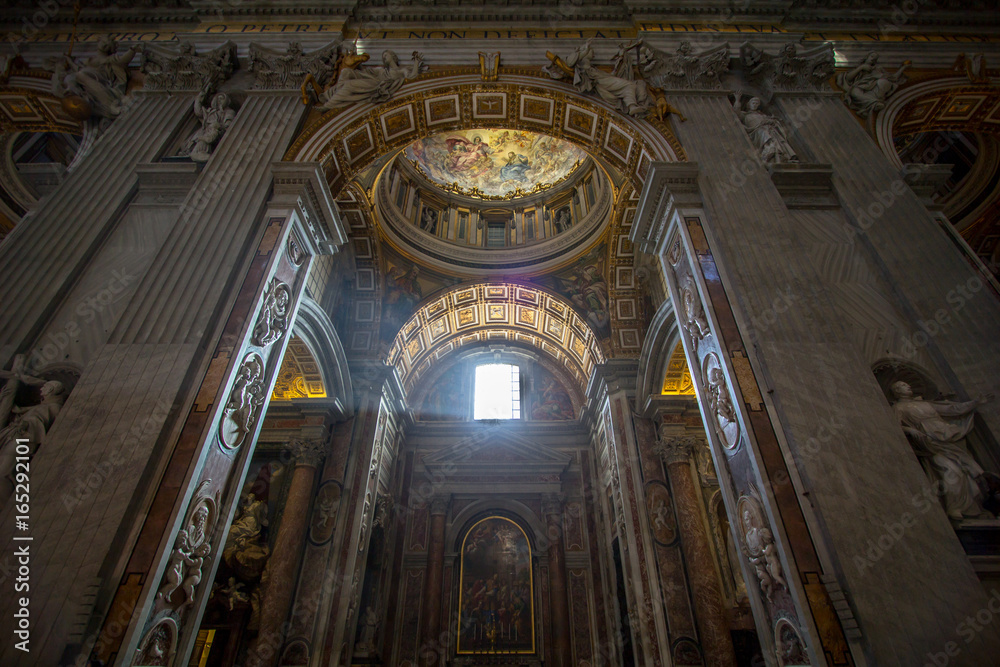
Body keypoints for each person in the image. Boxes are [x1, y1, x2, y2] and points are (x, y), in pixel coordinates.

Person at [891, 380, 995, 521]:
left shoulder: (926, 404)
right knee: (950, 470)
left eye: (906, 384)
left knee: (965, 471)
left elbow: (953, 409)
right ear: (896, 391)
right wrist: (910, 429)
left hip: (947, 438)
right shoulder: (899, 408)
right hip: (930, 444)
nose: (908, 386)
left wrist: (975, 402)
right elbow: (894, 426)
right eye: (902, 385)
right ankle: (954, 507)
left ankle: (973, 509)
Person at [837, 52, 910, 117]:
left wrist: (903, 68)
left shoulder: (878, 69)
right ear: (867, 57)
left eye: (875, 58)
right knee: (855, 93)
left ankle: (873, 104)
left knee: (884, 81)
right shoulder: (860, 67)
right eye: (872, 56)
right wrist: (861, 68)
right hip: (860, 87)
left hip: (873, 89)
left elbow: (893, 78)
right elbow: (848, 78)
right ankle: (874, 103)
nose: (873, 59)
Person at [732, 92, 798, 164]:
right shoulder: (745, 115)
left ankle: (780, 154)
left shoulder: (762, 115)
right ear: (749, 105)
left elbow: (772, 121)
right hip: (755, 132)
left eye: (757, 104)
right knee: (763, 131)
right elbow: (736, 112)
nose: (755, 105)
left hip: (769, 130)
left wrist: (772, 121)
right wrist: (737, 100)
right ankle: (769, 149)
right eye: (753, 103)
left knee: (774, 135)